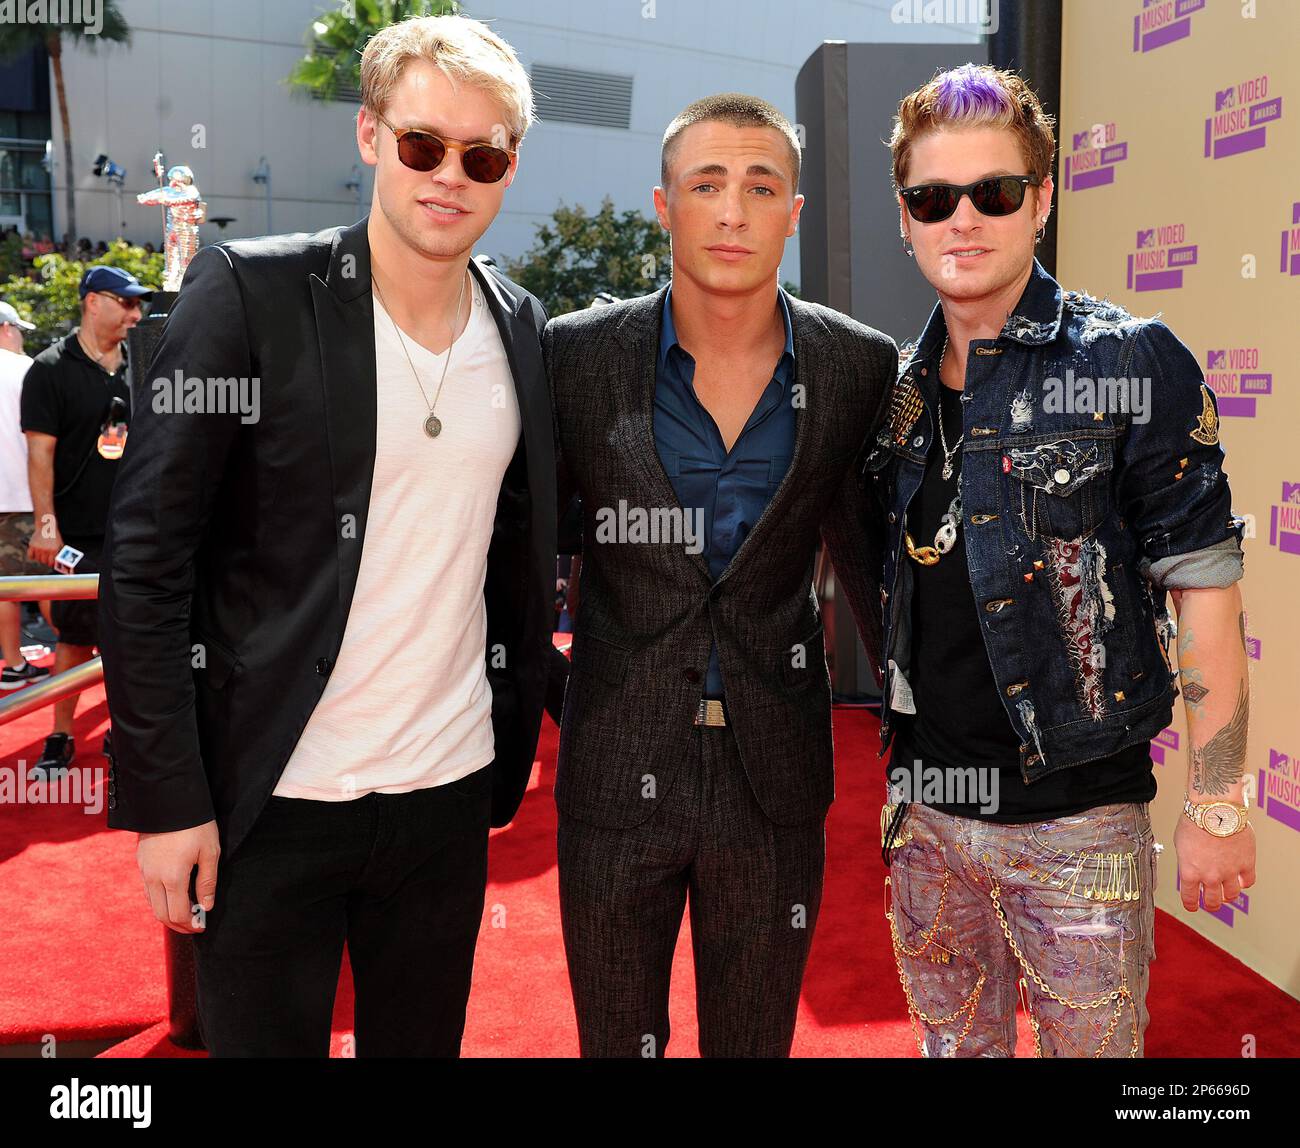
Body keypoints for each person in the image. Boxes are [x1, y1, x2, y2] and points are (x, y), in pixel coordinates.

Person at [98, 14, 554, 1058]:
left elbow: (515, 555)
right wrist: (169, 799)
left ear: (509, 167)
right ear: (369, 136)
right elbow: (147, 556)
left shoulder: (519, 326)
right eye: (421, 144)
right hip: (270, 798)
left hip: (444, 798)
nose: (449, 175)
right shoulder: (253, 290)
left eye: (480, 155)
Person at [867, 63, 1253, 1058]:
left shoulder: (1127, 360)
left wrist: (1215, 800)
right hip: (927, 817)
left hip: (1077, 822)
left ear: (1039, 199)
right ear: (904, 216)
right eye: (931, 197)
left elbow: (1204, 594)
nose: (963, 219)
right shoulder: (897, 390)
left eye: (994, 191)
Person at [545, 93, 896, 1057]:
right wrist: (551, 690)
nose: (733, 212)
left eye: (760, 186)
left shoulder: (857, 365)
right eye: (707, 184)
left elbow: (872, 569)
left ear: (793, 209)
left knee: (755, 1044)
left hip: (773, 779)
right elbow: (514, 547)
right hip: (615, 771)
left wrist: (921, 725)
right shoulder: (575, 356)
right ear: (664, 203)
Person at [20, 267, 148, 776]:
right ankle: (60, 734)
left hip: (137, 532)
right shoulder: (51, 368)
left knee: (134, 641)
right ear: (93, 302)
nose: (136, 314)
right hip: (77, 533)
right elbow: (39, 454)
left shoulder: (142, 365)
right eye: (126, 302)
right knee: (75, 639)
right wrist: (45, 524)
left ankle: (125, 736)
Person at [0, 300, 51, 690]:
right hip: (29, 497)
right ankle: (83, 654)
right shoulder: (28, 369)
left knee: (5, 589)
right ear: (5, 329)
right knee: (51, 583)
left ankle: (14, 665)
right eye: (18, 329)